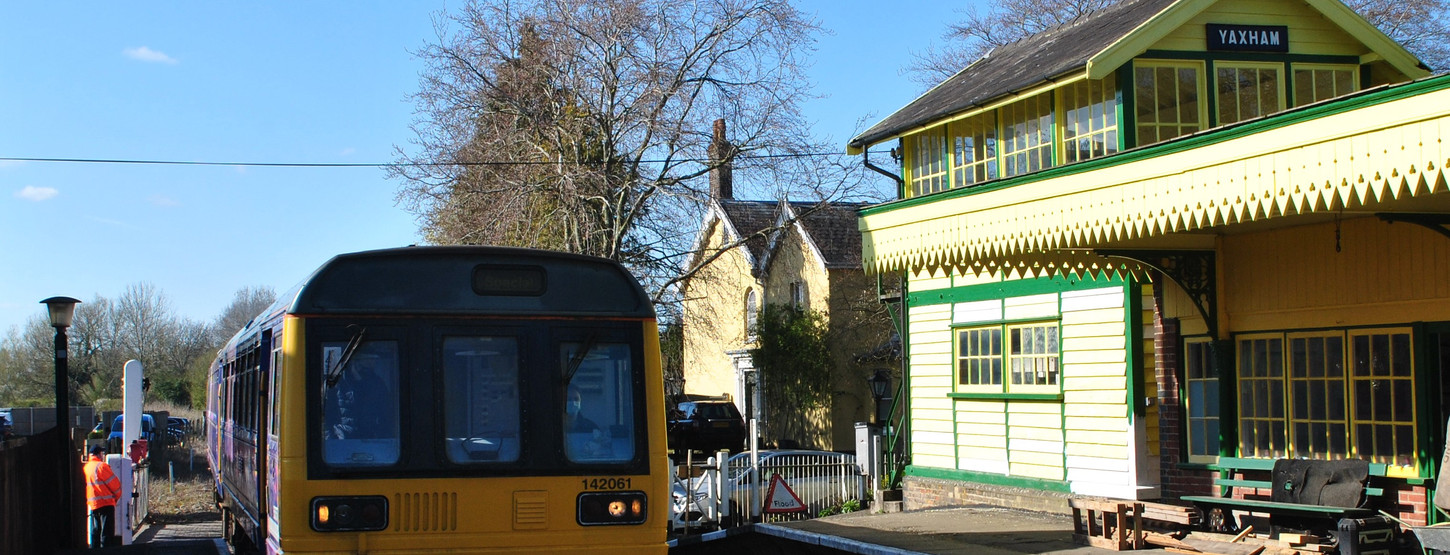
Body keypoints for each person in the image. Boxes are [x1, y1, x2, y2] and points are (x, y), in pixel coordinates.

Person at [83, 444, 122, 548]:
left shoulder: (86, 467)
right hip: (106, 503)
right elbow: (116, 485)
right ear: (99, 454)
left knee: (95, 531)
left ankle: (94, 550)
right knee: (107, 532)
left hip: (93, 504)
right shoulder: (101, 466)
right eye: (102, 453)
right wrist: (116, 498)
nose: (103, 455)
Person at [564, 385, 609, 458]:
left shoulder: (591, 427)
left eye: (576, 399)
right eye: (568, 399)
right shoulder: (554, 427)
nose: (573, 402)